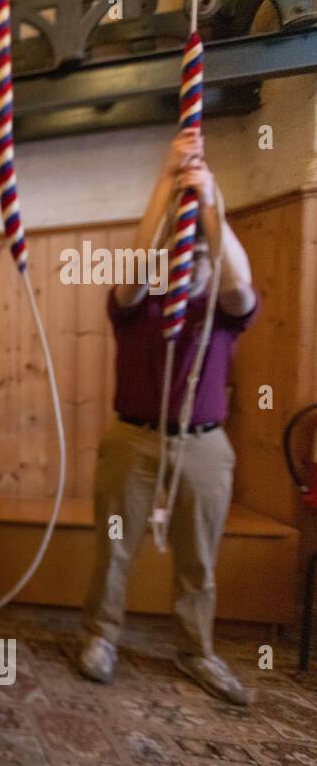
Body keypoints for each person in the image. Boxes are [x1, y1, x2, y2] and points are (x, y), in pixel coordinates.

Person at [77, 128, 257, 705]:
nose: (195, 260)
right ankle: (101, 637)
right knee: (114, 547)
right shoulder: (138, 306)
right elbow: (131, 272)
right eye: (183, 254)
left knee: (198, 559)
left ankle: (196, 650)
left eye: (200, 253)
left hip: (203, 447)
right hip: (132, 440)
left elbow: (239, 280)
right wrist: (166, 181)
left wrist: (207, 203)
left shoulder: (222, 312)